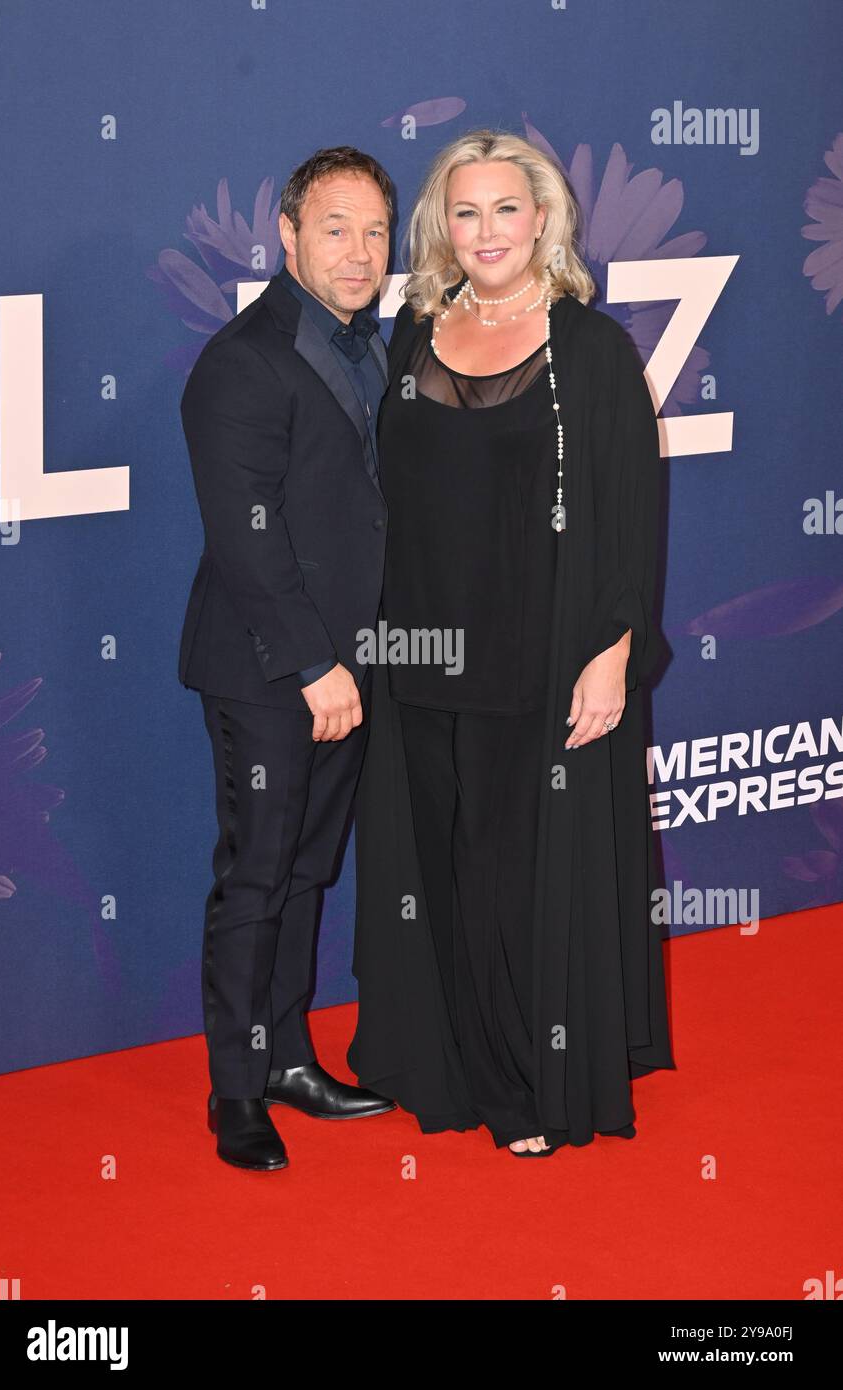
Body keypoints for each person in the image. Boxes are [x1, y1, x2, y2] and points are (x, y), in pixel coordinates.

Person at [348, 129, 676, 1158]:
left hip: (536, 658)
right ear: (440, 226)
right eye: (464, 210)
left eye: (504, 209)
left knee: (514, 867)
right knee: (433, 865)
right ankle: (443, 1058)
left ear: (542, 219)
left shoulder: (588, 350)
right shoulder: (413, 330)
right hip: (415, 653)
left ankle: (528, 1080)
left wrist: (612, 649)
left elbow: (629, 514)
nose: (485, 230)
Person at [179, 147, 397, 1171]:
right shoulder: (241, 360)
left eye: (373, 231)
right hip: (273, 671)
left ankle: (287, 1057)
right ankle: (234, 1092)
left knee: (311, 868)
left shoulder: (372, 345)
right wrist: (315, 666)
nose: (358, 254)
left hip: (351, 665)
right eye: (335, 229)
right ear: (288, 235)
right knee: (258, 875)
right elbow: (245, 536)